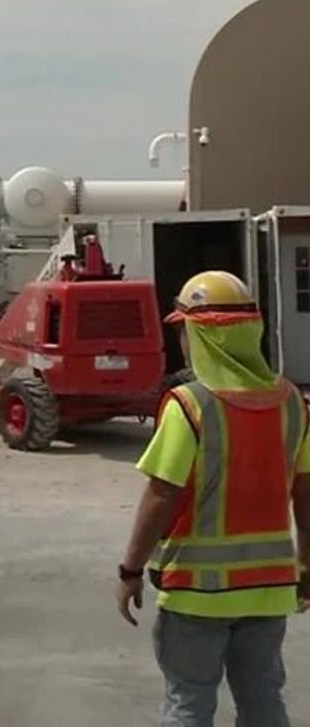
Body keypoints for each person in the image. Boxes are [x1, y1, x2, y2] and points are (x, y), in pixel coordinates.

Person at [115, 270, 310, 727]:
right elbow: (306, 494)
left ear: (202, 335)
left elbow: (161, 495)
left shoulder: (190, 404)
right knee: (263, 700)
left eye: (185, 330)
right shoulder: (292, 403)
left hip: (196, 594)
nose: (183, 342)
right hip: (267, 591)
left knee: (189, 703)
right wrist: (306, 565)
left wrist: (130, 570)